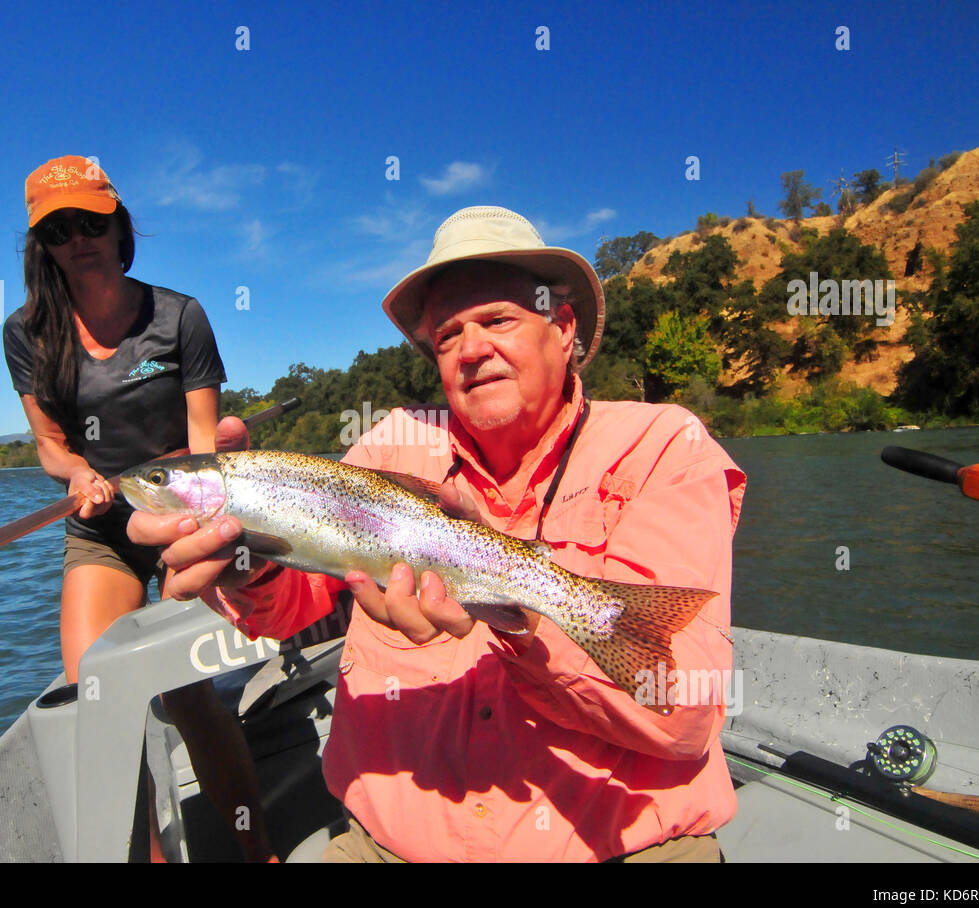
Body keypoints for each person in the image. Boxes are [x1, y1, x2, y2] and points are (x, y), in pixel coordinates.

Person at [131, 206, 746, 862]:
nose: (473, 347)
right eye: (449, 333)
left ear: (563, 328)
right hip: (390, 844)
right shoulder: (393, 441)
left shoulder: (662, 446)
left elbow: (681, 710)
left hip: (618, 844)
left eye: (498, 320)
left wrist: (520, 622)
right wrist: (249, 566)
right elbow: (293, 604)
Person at [2, 155, 276, 862]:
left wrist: (197, 532)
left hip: (178, 514)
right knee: (99, 705)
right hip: (101, 529)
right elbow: (50, 448)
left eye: (92, 220)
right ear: (44, 246)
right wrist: (81, 473)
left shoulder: (179, 317)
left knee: (188, 698)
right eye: (59, 229)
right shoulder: (27, 333)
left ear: (119, 225)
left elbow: (201, 453)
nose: (78, 237)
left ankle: (258, 852)